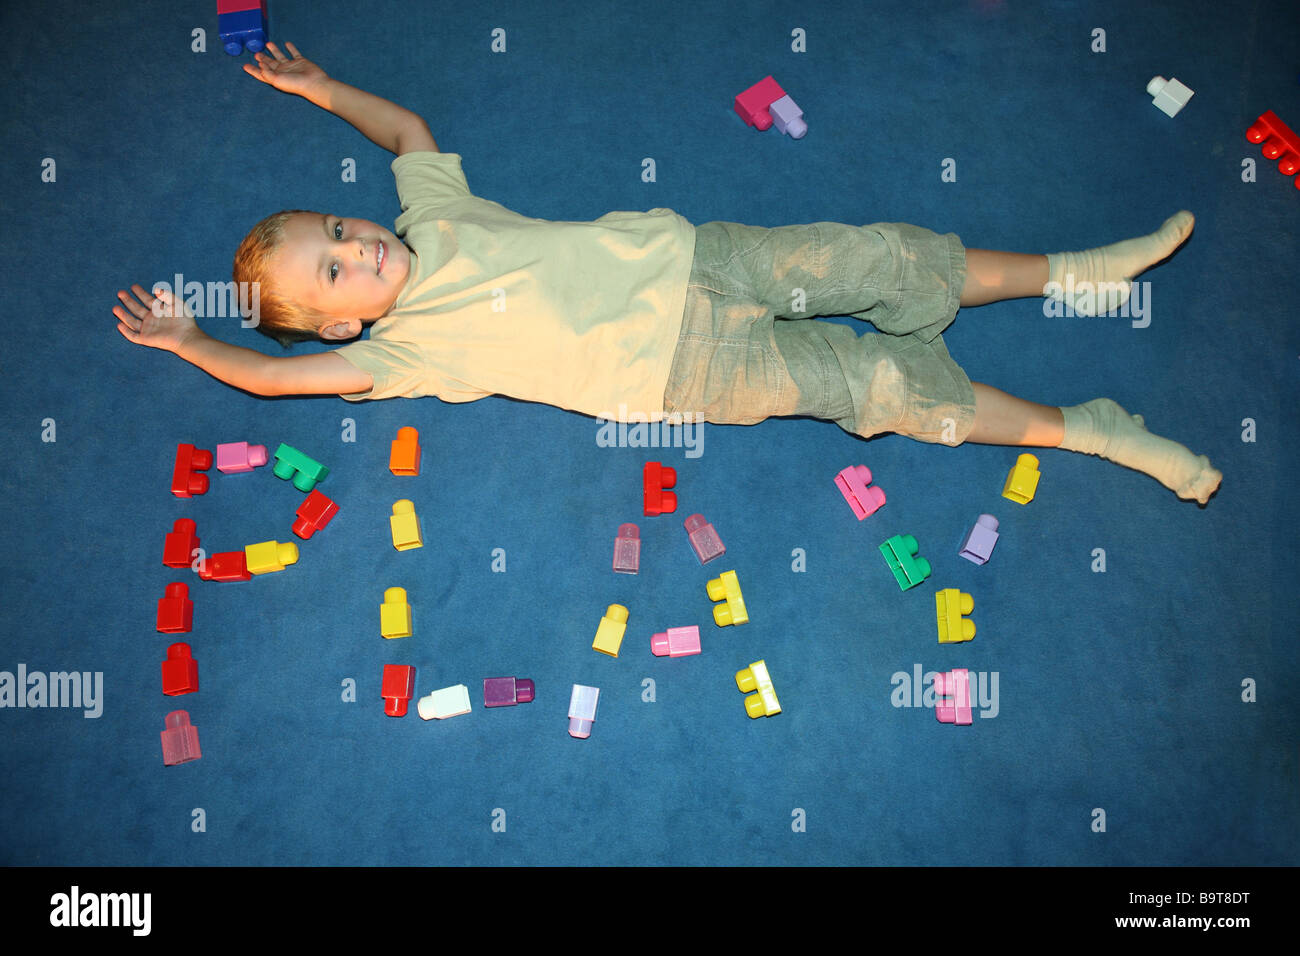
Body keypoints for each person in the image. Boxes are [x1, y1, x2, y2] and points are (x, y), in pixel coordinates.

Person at [114, 42, 1220, 505]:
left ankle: (1073, 271)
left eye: (341, 228)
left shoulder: (431, 215)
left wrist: (321, 89)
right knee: (881, 395)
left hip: (696, 254)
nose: (360, 249)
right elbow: (269, 383)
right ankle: (1093, 428)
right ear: (346, 328)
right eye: (338, 273)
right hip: (686, 374)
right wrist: (189, 340)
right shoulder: (395, 357)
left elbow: (405, 131)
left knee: (876, 257)